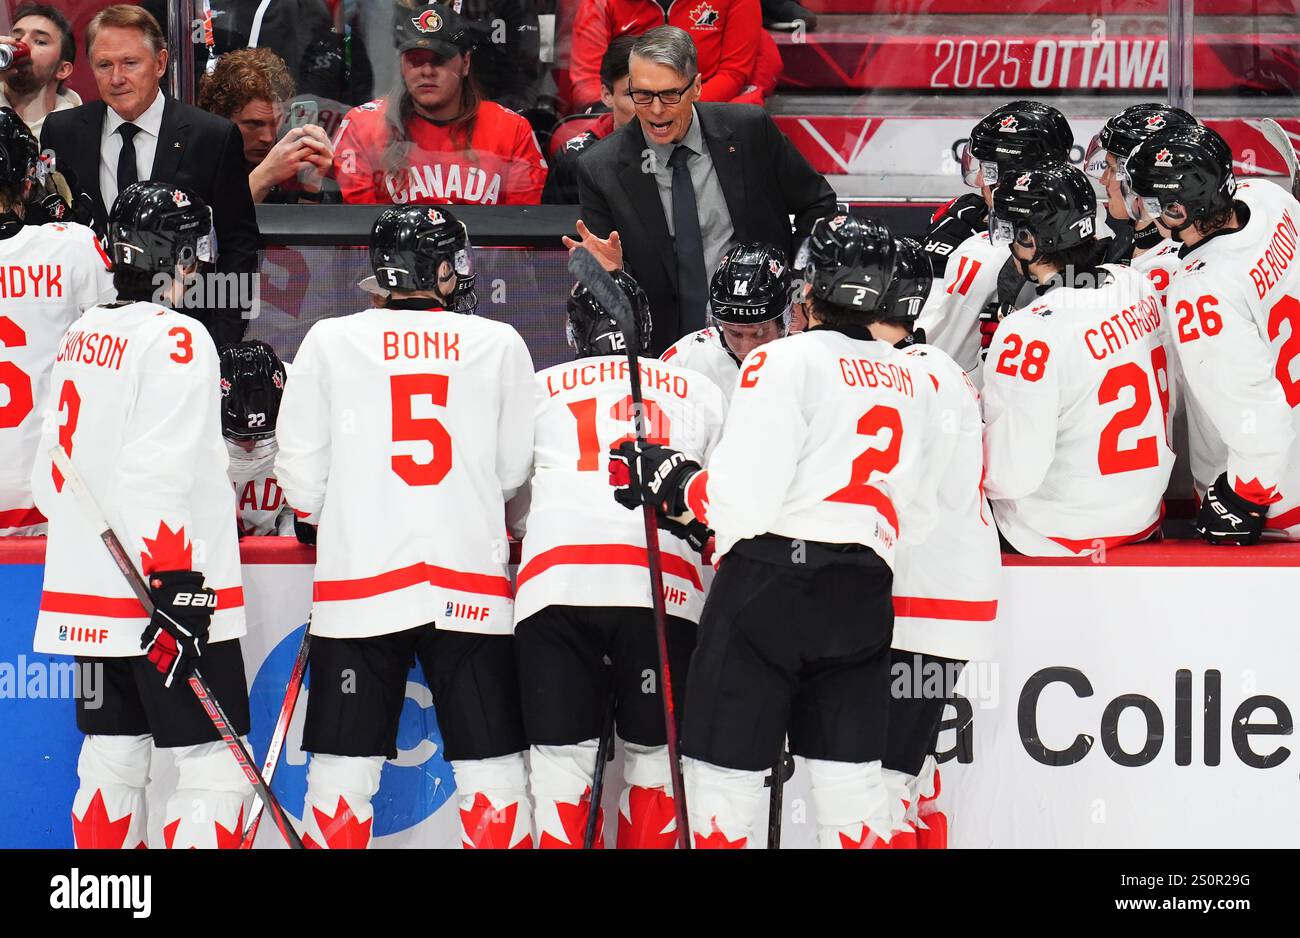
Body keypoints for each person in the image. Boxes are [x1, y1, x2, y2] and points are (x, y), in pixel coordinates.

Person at [610, 214, 943, 848]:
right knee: (851, 797)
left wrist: (672, 478)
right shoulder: (914, 377)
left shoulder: (782, 360)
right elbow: (918, 516)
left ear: (810, 286)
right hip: (865, 594)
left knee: (724, 792)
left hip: (768, 593)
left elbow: (739, 505)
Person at [274, 205, 537, 849]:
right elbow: (512, 472)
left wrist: (343, 511)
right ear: (444, 269)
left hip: (359, 586)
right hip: (468, 587)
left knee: (340, 780)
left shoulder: (329, 340)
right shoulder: (499, 342)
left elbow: (301, 479)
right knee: (494, 779)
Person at [31, 181, 249, 849]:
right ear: (175, 256)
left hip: (87, 596)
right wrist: (177, 586)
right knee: (217, 773)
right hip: (164, 596)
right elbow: (157, 476)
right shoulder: (178, 339)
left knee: (112, 760)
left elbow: (47, 481)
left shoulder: (82, 332)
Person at [515, 271, 726, 848]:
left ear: (572, 331)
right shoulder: (700, 390)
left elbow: (509, 498)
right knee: (656, 768)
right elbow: (725, 502)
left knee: (561, 772)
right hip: (661, 592)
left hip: (556, 590)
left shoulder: (538, 386)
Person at [568, 26, 835, 356]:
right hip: (666, 352)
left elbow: (819, 205)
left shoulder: (750, 131)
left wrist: (795, 282)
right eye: (642, 95)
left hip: (763, 338)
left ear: (695, 87)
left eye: (669, 95)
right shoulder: (600, 168)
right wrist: (611, 273)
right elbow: (605, 291)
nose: (655, 110)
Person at [863, 235, 999, 849]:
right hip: (951, 594)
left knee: (883, 776)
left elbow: (900, 506)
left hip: (918, 601)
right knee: (911, 765)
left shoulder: (896, 379)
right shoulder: (943, 366)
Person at [40, 5, 261, 350]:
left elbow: (239, 246)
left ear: (159, 63)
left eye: (130, 63)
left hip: (183, 337)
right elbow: (50, 234)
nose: (116, 78)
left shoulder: (211, 137)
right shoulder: (62, 131)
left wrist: (221, 342)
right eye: (104, 65)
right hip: (87, 339)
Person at [981, 163, 1174, 556]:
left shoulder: (1028, 333)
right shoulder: (1135, 283)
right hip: (1144, 513)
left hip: (1056, 532)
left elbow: (1011, 476)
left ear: (1029, 241)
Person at [1128, 126, 1300, 544]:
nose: (1144, 209)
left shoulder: (1201, 292)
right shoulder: (1270, 199)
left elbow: (1256, 415)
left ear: (1178, 209)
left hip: (1277, 493)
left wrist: (1243, 499)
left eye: (1152, 201)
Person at [0, 108, 114, 537]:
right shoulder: (72, 246)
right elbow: (116, 352)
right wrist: (82, 221)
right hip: (51, 495)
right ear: (27, 180)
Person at [332, 1, 547, 205]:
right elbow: (359, 234)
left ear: (465, 63)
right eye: (415, 60)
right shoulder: (362, 127)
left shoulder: (512, 131)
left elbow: (521, 233)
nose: (426, 71)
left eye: (439, 60)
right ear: (402, 63)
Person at [916, 100, 1074, 375]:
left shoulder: (983, 255)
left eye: (988, 169)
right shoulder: (1086, 227)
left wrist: (935, 263)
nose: (979, 180)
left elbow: (933, 354)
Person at [569, 0, 779, 110]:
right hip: (631, 109)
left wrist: (676, 109)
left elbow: (734, 72)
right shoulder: (600, 2)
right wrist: (638, 111)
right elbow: (588, 82)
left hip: (707, 103)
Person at [197, 48, 335, 204]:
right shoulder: (197, 164)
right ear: (221, 117)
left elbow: (301, 226)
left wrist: (311, 186)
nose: (268, 138)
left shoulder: (290, 167)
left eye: (276, 122)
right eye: (253, 124)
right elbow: (217, 225)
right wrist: (266, 176)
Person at [660, 241, 792, 401]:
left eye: (759, 333)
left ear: (784, 319)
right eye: (734, 333)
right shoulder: (683, 361)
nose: (747, 349)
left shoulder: (810, 362)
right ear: (719, 324)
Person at [542, 35, 637, 205]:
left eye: (653, 92)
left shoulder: (686, 150)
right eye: (633, 94)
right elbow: (551, 227)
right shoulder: (572, 161)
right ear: (607, 95)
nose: (650, 105)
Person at [220, 341, 294, 537]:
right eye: (239, 435)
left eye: (262, 434)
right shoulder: (192, 412)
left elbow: (297, 509)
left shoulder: (303, 400)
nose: (251, 444)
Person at [0, 4, 81, 138]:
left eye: (40, 41)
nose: (23, 44)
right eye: (17, 38)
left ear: (62, 69)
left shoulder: (80, 132)